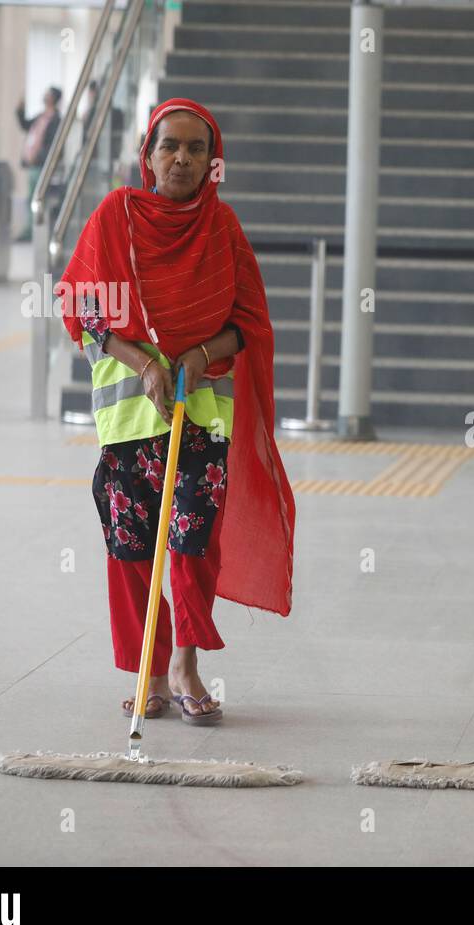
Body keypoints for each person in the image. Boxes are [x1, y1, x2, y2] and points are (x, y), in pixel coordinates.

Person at [58, 98, 296, 724]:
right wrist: (145, 363)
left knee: (193, 548)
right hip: (129, 422)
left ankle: (188, 663)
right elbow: (81, 312)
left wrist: (198, 353)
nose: (182, 158)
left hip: (202, 422)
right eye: (171, 146)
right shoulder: (116, 217)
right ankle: (150, 671)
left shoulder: (223, 230)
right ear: (149, 154)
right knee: (133, 550)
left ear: (213, 163)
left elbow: (250, 325)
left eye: (197, 149)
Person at [15, 87, 62, 241]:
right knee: (31, 198)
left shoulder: (56, 120)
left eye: (48, 94)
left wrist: (38, 157)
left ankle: (37, 232)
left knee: (39, 198)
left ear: (53, 98)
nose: (44, 96)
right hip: (32, 165)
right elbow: (25, 125)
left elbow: (53, 145)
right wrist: (20, 111)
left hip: (42, 166)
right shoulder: (41, 116)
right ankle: (31, 230)